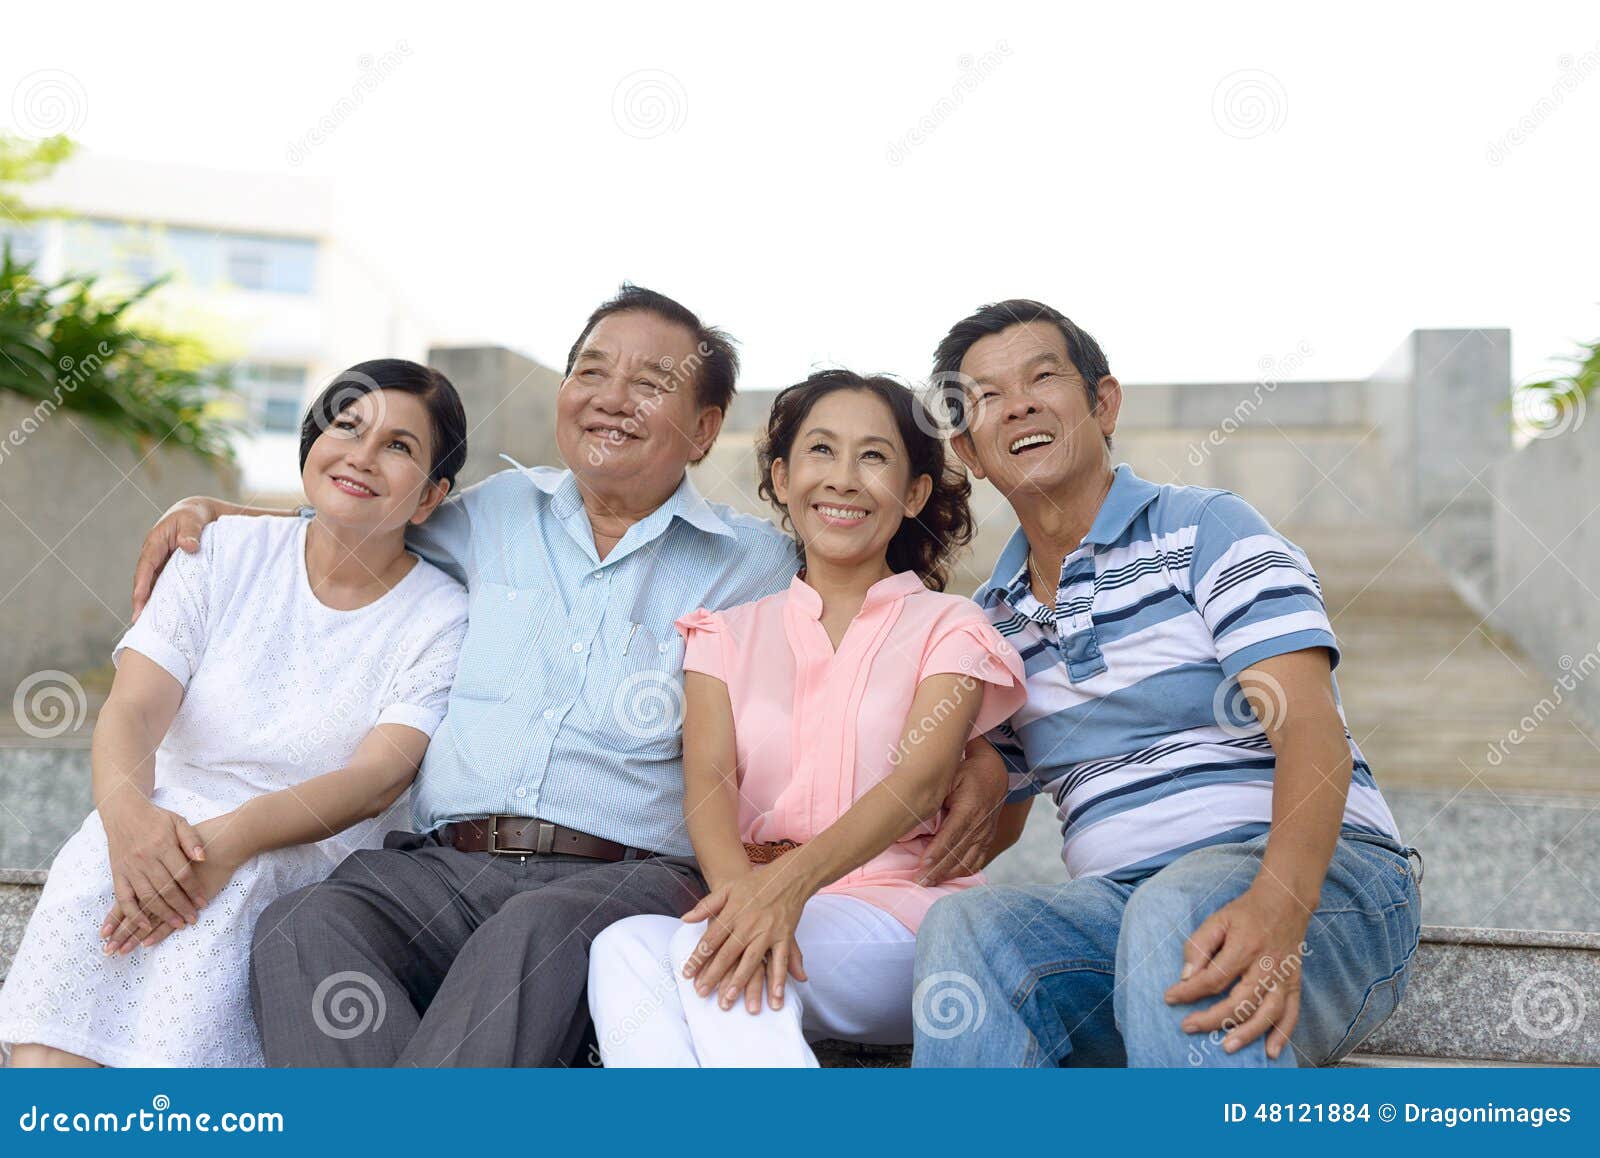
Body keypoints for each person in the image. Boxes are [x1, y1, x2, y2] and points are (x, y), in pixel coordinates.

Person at [128, 286, 1009, 1067]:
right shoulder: (491, 515)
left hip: (622, 874)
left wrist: (984, 752)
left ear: (705, 430)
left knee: (533, 936)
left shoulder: (759, 565)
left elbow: (876, 617)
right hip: (444, 862)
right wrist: (222, 511)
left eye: (650, 383)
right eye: (592, 369)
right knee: (302, 925)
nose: (611, 399)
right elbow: (369, 505)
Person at [911, 300, 1422, 1068]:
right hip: (1122, 912)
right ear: (971, 452)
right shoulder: (994, 623)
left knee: (1175, 909)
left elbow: (1312, 733)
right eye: (985, 397)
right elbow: (996, 820)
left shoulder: (1205, 530)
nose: (1016, 403)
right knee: (965, 932)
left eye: (1041, 376)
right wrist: (970, 764)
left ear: (1103, 402)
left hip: (1320, 881)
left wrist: (1279, 909)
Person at [0, 360, 469, 1067]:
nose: (362, 456)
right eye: (347, 426)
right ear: (313, 443)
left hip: (306, 851)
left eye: (399, 447)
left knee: (235, 889)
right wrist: (129, 821)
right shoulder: (218, 549)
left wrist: (228, 843)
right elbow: (131, 710)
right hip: (163, 825)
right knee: (98, 850)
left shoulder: (440, 614)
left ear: (431, 497)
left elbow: (377, 778)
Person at [587, 370, 1027, 1067]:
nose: (844, 479)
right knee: (621, 949)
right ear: (785, 477)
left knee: (707, 963)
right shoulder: (723, 636)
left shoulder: (951, 626)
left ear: (914, 493)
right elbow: (708, 784)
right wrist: (746, 900)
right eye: (821, 451)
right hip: (760, 895)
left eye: (874, 456)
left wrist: (782, 894)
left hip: (903, 914)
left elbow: (920, 782)